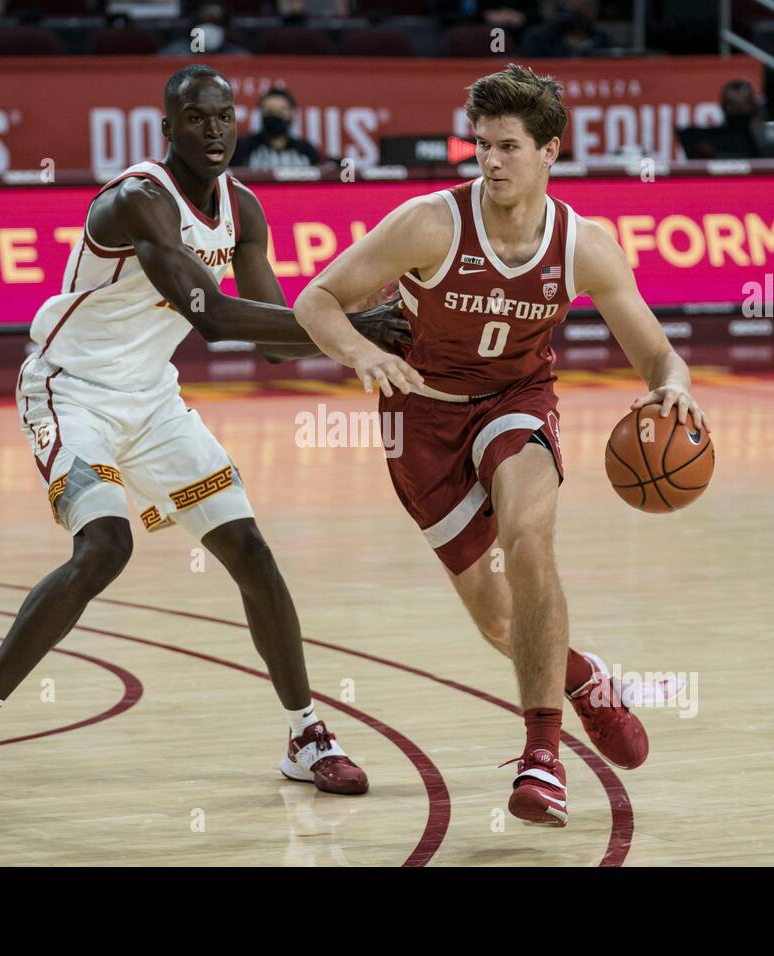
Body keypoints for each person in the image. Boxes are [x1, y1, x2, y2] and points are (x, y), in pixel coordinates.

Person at [0, 64, 410, 804]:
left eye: (222, 117)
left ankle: (307, 735)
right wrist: (355, 325)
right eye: (196, 117)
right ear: (167, 128)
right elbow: (212, 317)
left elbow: (275, 343)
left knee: (250, 550)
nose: (213, 130)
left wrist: (349, 328)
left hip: (152, 401)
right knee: (107, 545)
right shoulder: (138, 201)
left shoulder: (243, 209)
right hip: (70, 391)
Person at [294, 64, 707, 827]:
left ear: (549, 150)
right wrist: (362, 353)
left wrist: (672, 385)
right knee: (498, 624)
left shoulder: (584, 244)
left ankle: (542, 760)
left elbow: (657, 352)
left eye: (508, 147)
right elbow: (315, 299)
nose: (490, 161)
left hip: (516, 406)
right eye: (480, 145)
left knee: (527, 534)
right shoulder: (429, 223)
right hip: (421, 419)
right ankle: (582, 678)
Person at [231, 87, 320, 170]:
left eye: (281, 111)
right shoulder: (242, 148)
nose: (275, 116)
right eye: (269, 111)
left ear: (292, 113)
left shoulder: (306, 151)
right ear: (261, 112)